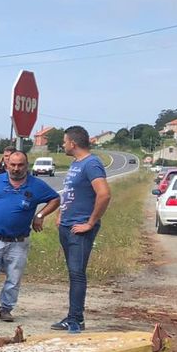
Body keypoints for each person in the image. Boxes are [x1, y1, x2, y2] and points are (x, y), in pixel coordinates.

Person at [0, 150, 59, 322]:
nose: (16, 169)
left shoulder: (36, 185)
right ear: (7, 165)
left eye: (20, 165)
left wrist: (40, 215)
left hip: (19, 242)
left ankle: (6, 308)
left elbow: (55, 199)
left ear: (27, 165)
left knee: (14, 278)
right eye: (13, 165)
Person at [52, 125, 110, 333]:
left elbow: (104, 194)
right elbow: (70, 193)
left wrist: (90, 222)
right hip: (67, 225)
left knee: (77, 273)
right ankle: (72, 316)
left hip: (80, 228)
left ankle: (76, 319)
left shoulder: (91, 164)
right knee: (72, 272)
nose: (63, 145)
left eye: (64, 141)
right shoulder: (76, 164)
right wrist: (61, 214)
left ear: (73, 143)